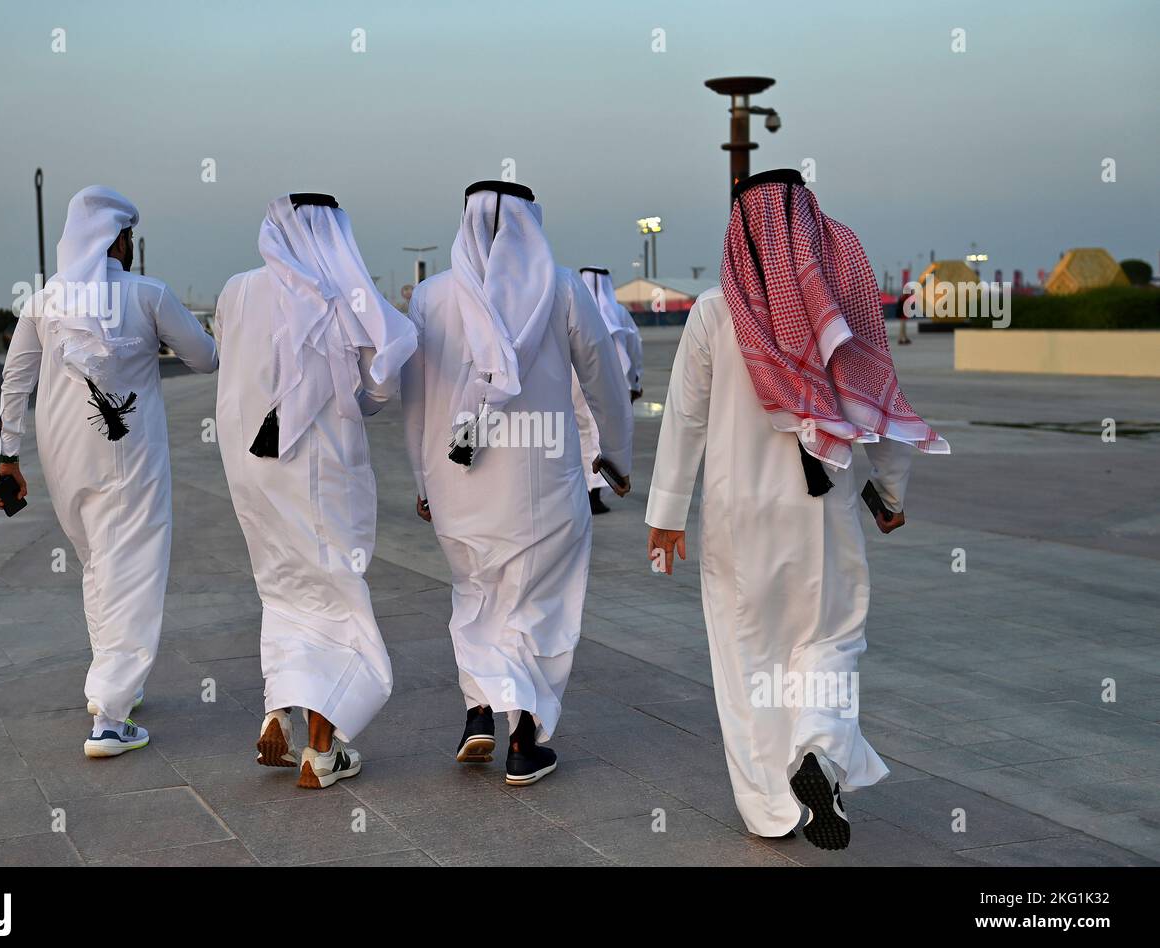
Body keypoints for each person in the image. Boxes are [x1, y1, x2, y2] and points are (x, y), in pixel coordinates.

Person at [645, 169, 949, 850]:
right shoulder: (842, 309)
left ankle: (770, 810)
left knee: (749, 654)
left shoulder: (714, 312)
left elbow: (685, 420)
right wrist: (891, 499)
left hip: (734, 518)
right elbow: (883, 414)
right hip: (823, 513)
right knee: (830, 641)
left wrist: (665, 513)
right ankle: (821, 754)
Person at [402, 181, 633, 786]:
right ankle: (524, 739)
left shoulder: (431, 296)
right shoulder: (562, 288)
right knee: (538, 601)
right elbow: (604, 380)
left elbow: (415, 402)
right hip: (548, 482)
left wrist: (422, 479)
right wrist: (616, 455)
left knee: (474, 592)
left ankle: (479, 712)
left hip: (458, 479)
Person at [0, 186, 218, 758]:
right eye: (129, 236)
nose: (131, 246)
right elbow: (206, 357)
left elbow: (15, 381)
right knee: (132, 570)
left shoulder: (42, 302)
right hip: (129, 459)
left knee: (99, 567)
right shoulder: (149, 293)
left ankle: (112, 688)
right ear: (116, 238)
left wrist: (7, 456)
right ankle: (111, 720)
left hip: (63, 461)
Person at [213, 193, 416, 789]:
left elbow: (235, 365)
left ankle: (280, 703)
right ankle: (321, 752)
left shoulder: (236, 289)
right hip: (323, 469)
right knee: (335, 592)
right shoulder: (347, 290)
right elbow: (383, 375)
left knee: (282, 587)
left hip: (253, 466)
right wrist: (357, 403)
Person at [571, 266, 643, 514]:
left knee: (583, 436)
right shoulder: (619, 313)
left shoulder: (573, 309)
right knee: (600, 436)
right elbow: (634, 347)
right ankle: (595, 493)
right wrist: (635, 383)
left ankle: (587, 491)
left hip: (574, 383)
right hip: (606, 383)